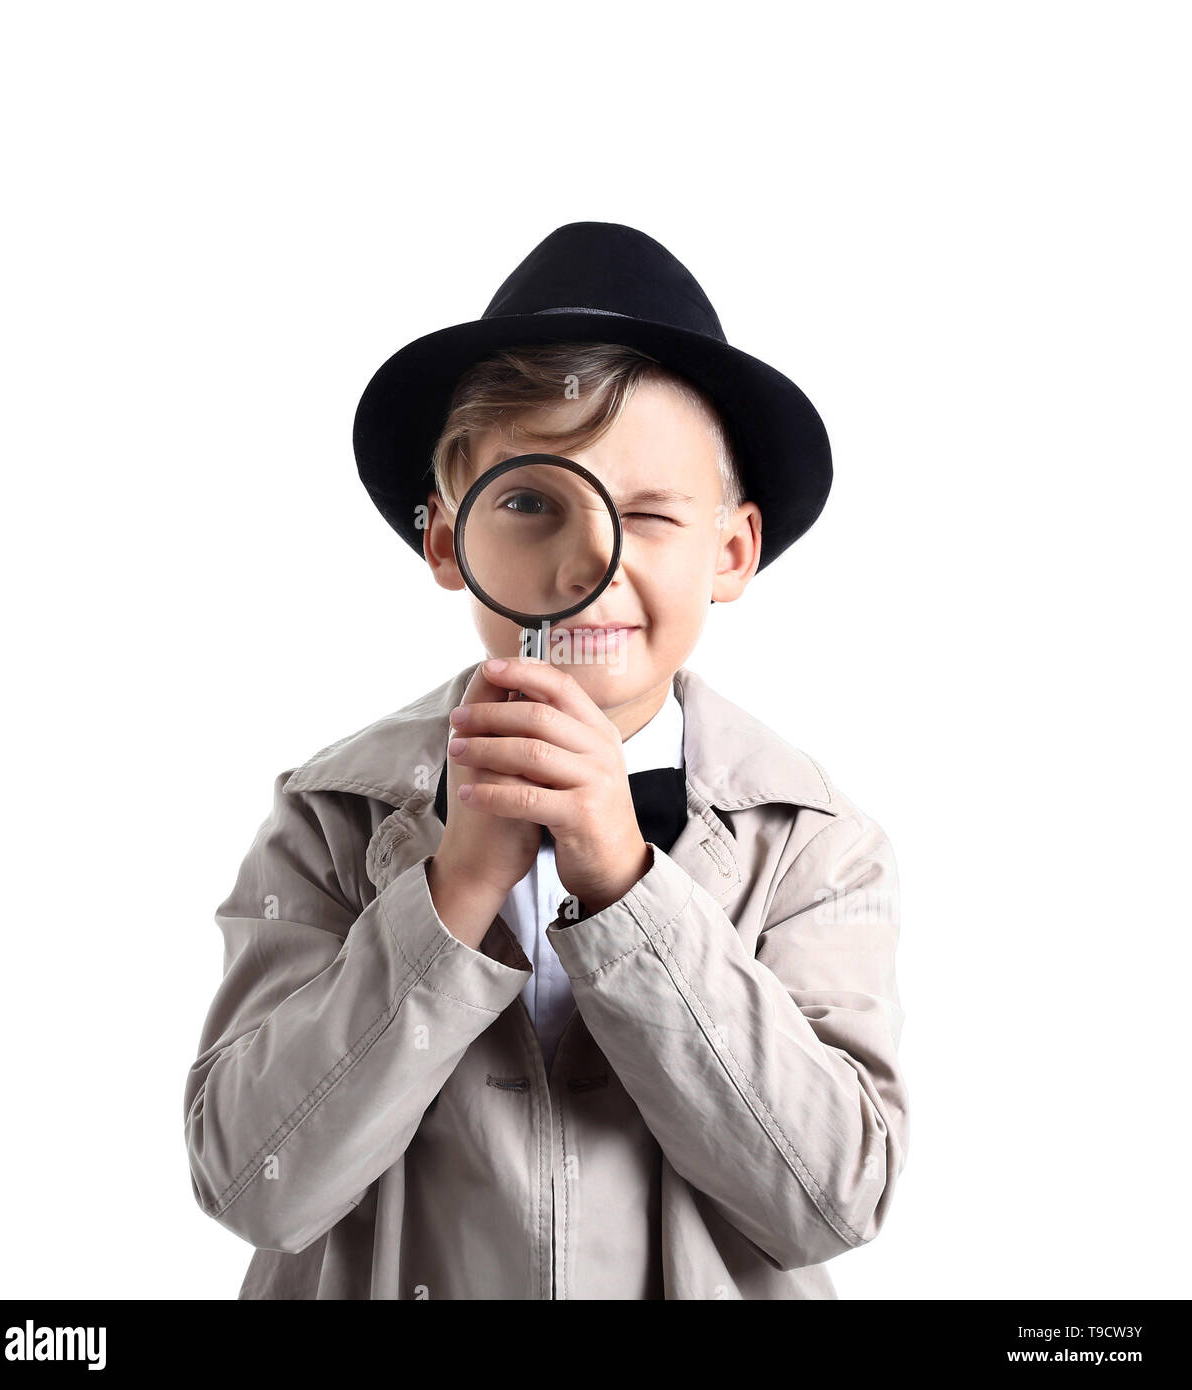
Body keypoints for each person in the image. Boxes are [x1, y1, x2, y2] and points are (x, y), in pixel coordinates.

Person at [183, 222, 910, 1299]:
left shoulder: (813, 843)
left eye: (648, 515)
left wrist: (629, 887)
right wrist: (453, 887)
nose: (584, 561)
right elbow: (255, 1183)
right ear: (445, 542)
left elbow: (830, 1201)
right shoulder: (328, 818)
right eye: (528, 503)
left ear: (732, 551)